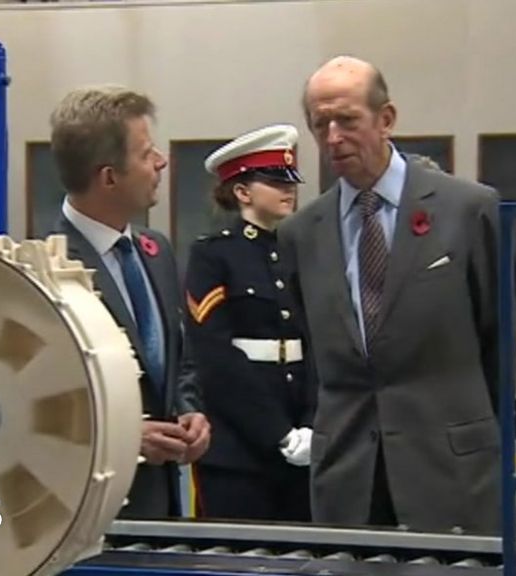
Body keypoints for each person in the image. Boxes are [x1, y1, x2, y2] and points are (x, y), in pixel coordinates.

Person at [276, 55, 516, 533]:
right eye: (320, 124)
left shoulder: (469, 210)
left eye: (347, 120)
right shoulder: (301, 233)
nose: (333, 138)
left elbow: (498, 341)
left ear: (386, 119)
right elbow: (318, 352)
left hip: (452, 470)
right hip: (349, 476)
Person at [47, 85, 210, 519]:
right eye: (146, 154)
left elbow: (181, 362)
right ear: (109, 177)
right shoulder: (47, 272)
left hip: (169, 512)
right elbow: (37, 409)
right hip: (95, 518)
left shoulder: (156, 252)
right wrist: (123, 437)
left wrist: (191, 411)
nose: (161, 162)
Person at [183, 124, 316, 522]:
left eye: (290, 181)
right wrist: (278, 432)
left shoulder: (301, 253)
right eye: (275, 181)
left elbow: (317, 345)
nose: (288, 190)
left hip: (302, 443)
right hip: (238, 448)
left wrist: (310, 424)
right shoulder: (214, 255)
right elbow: (217, 359)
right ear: (242, 192)